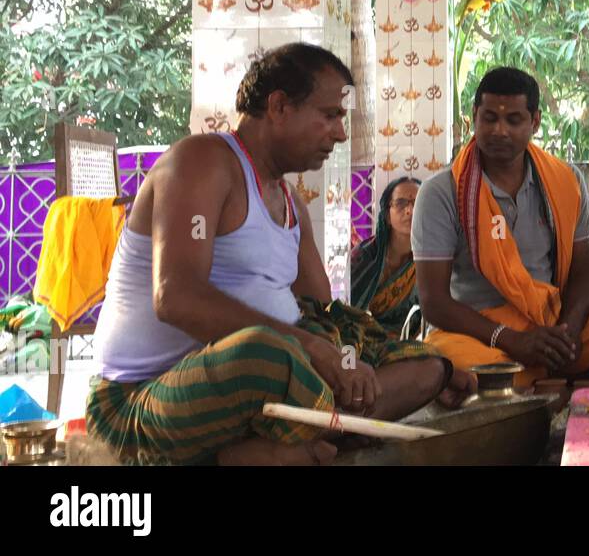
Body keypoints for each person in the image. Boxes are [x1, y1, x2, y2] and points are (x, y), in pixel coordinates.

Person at [88, 44, 474, 466]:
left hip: (271, 384)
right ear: (278, 106)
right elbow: (175, 297)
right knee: (267, 355)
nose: (340, 134)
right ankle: (278, 447)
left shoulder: (292, 204)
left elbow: (322, 315)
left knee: (423, 365)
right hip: (144, 398)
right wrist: (308, 346)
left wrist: (348, 359)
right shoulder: (201, 163)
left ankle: (277, 446)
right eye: (329, 115)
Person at [412, 67, 589, 385]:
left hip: (551, 320)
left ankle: (545, 367)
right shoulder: (442, 191)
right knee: (451, 358)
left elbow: (582, 274)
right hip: (481, 335)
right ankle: (548, 375)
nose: (500, 130)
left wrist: (568, 334)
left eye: (514, 120)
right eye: (489, 118)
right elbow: (434, 302)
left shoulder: (565, 180)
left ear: (535, 121)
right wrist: (512, 340)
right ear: (473, 117)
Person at [350, 176, 423, 337]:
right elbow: (348, 312)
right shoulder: (365, 256)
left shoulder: (429, 259)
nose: (410, 211)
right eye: (401, 203)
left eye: (418, 204)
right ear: (387, 215)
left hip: (411, 341)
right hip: (363, 337)